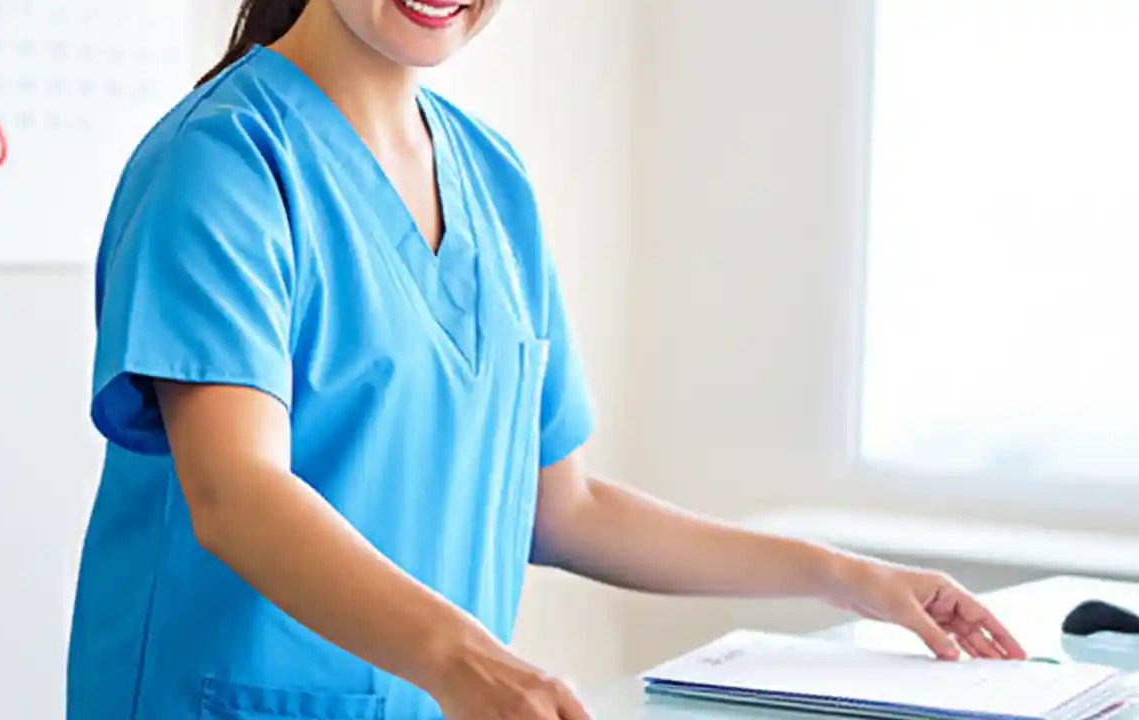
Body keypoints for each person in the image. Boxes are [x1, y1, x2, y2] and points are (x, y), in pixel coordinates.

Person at [66, 1, 1027, 718]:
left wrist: (846, 578)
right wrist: (465, 661)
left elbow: (564, 506)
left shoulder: (491, 179)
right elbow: (237, 494)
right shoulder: (224, 163)